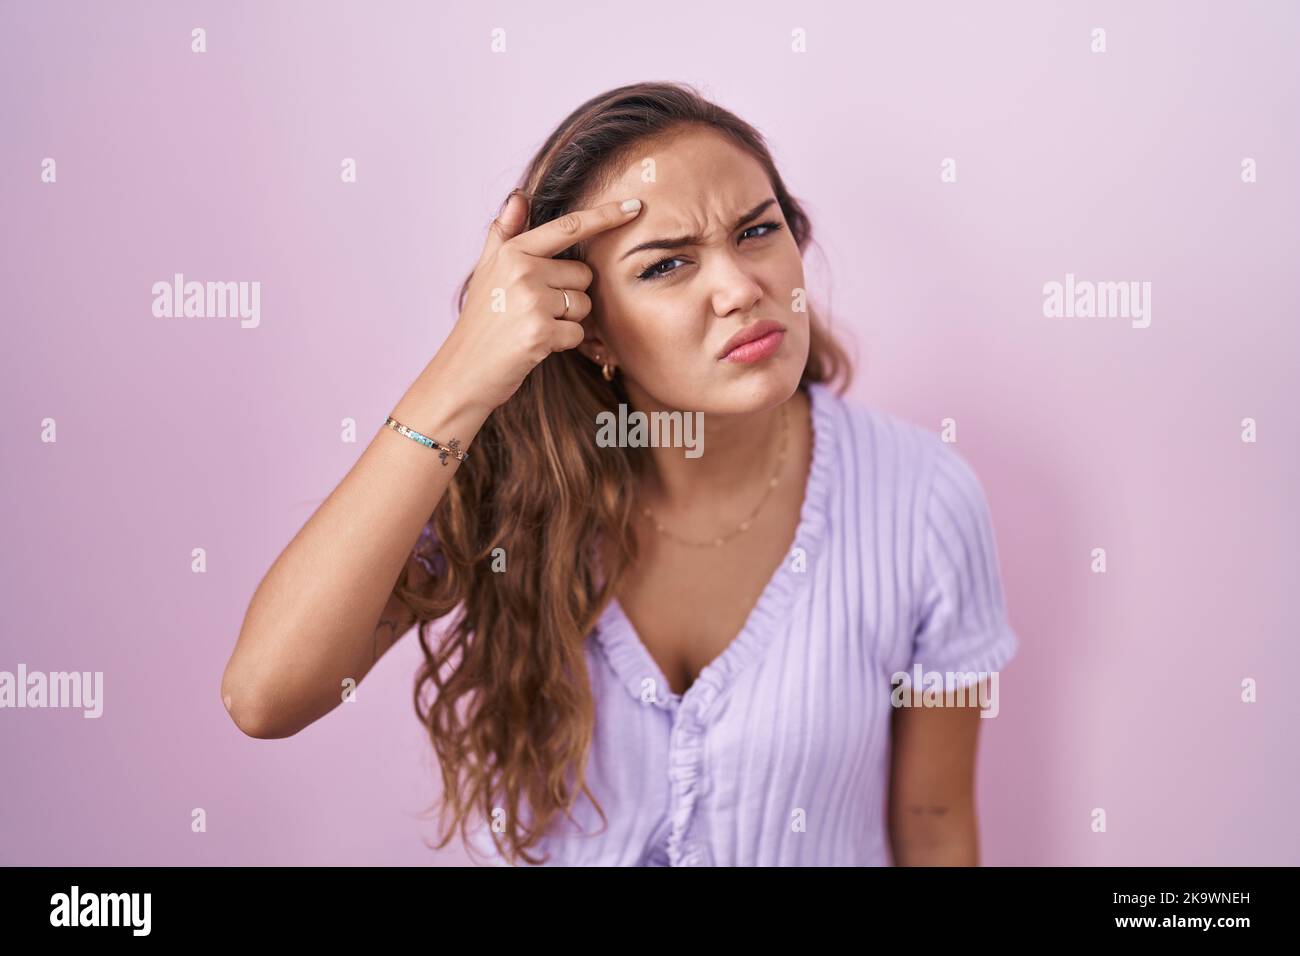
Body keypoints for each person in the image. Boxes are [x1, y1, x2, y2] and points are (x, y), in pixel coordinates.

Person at [221, 81, 1020, 867]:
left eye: (756, 231)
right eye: (667, 266)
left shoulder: (922, 502)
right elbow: (266, 697)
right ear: (589, 329)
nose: (741, 290)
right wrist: (461, 371)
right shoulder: (509, 491)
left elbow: (935, 825)